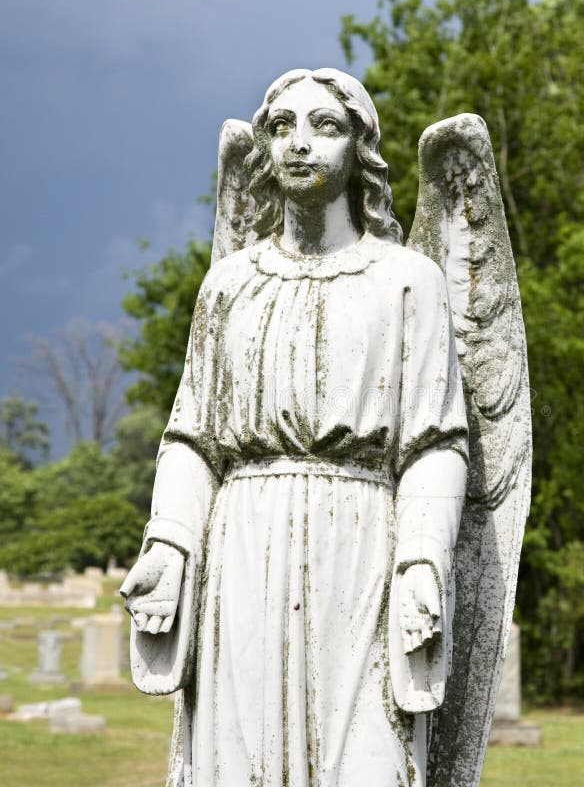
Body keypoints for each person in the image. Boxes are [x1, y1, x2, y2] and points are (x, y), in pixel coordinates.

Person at [120, 68, 468, 787]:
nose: (299, 144)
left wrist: (423, 562)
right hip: (242, 548)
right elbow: (193, 437)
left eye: (324, 126)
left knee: (371, 759)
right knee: (235, 762)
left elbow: (434, 442)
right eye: (281, 127)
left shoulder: (407, 281)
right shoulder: (231, 285)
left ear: (359, 147)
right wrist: (171, 542)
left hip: (362, 545)